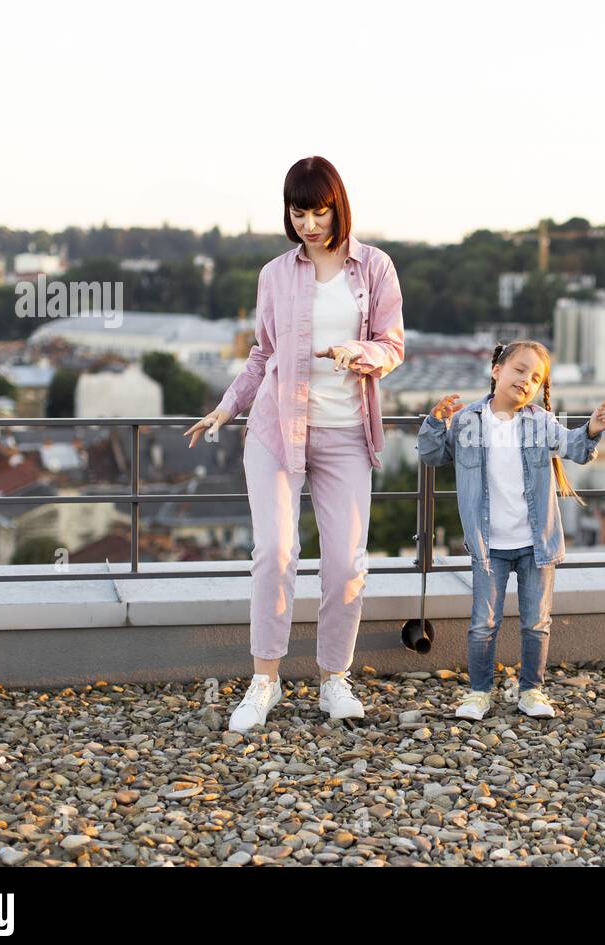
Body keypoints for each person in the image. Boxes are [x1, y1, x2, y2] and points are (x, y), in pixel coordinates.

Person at [184, 156, 405, 730]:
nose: (308, 223)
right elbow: (263, 353)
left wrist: (361, 354)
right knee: (275, 554)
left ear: (339, 206)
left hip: (347, 433)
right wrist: (226, 406)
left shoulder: (375, 267)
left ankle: (335, 679)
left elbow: (393, 345)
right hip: (276, 429)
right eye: (298, 211)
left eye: (319, 211)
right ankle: (265, 681)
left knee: (345, 564)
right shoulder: (275, 274)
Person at [417, 341, 605, 720]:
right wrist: (435, 421)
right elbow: (432, 455)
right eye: (519, 370)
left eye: (535, 377)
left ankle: (532, 691)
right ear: (496, 371)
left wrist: (591, 428)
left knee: (536, 623)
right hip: (488, 545)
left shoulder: (540, 422)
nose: (526, 380)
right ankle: (478, 692)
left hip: (535, 544)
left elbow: (575, 447)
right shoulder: (467, 421)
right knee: (482, 624)